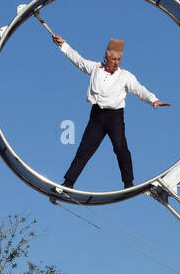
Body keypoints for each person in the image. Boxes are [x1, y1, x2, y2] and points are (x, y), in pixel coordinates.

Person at [51, 33, 170, 191]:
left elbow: (139, 89)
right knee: (85, 149)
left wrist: (153, 100)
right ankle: (68, 183)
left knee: (121, 148)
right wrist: (63, 45)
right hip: (97, 115)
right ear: (106, 58)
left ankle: (128, 183)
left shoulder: (125, 75)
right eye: (113, 59)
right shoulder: (95, 68)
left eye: (119, 60)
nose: (116, 63)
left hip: (115, 117)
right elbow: (77, 60)